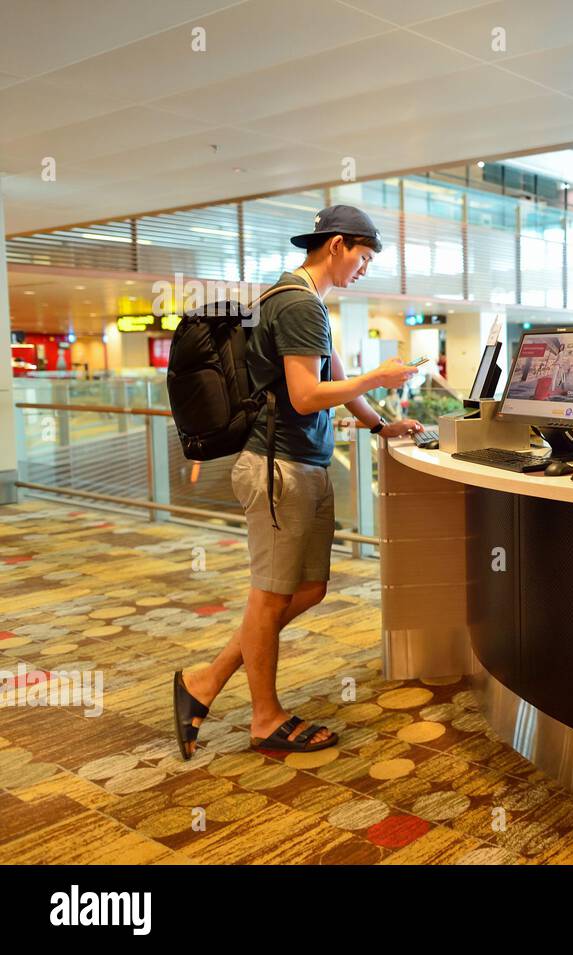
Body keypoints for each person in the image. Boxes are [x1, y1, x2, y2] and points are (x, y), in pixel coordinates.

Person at [172, 205, 423, 759]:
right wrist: (379, 375)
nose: (364, 267)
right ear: (335, 245)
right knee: (268, 598)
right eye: (363, 255)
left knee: (308, 588)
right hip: (278, 466)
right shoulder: (300, 305)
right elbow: (307, 394)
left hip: (298, 462)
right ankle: (265, 719)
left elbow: (330, 378)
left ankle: (206, 681)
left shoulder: (296, 300)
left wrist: (381, 423)